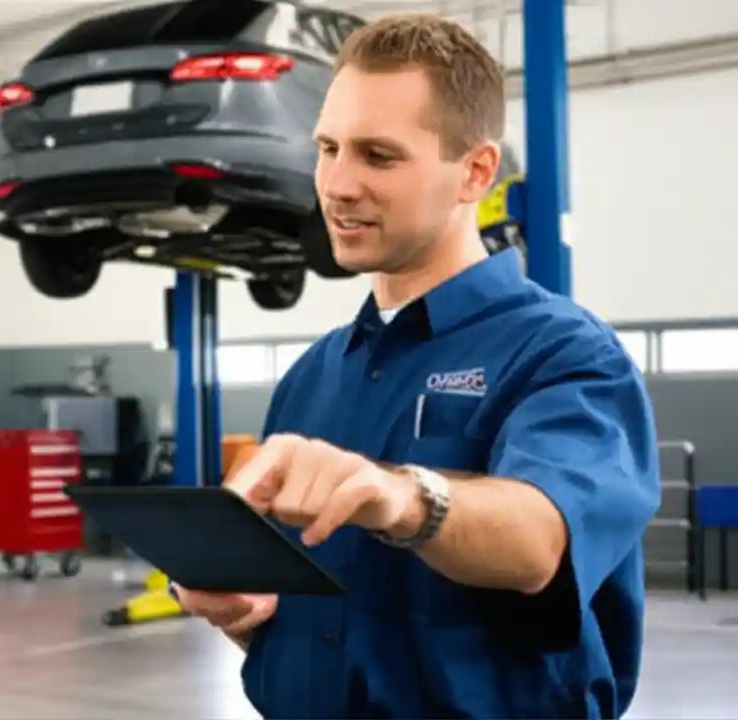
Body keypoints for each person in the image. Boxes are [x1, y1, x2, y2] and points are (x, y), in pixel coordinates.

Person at [175, 13, 660, 720]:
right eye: (328, 147)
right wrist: (246, 616)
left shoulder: (564, 355)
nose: (337, 185)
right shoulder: (313, 376)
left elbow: (536, 540)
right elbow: (318, 624)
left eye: (377, 155)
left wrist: (403, 499)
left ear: (475, 172)